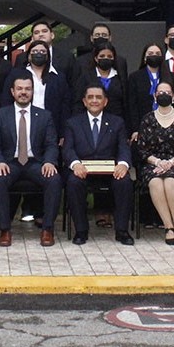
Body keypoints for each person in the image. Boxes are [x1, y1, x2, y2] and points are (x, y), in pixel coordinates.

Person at [0, 75, 61, 247]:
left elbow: (51, 144)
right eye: (20, 89)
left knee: (54, 179)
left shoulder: (44, 116)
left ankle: (47, 229)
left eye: (27, 89)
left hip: (35, 163)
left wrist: (49, 161)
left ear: (32, 92)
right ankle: (5, 230)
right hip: (9, 162)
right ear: (12, 92)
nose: (23, 92)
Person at [63, 84, 134, 246]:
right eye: (90, 97)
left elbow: (123, 146)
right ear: (84, 101)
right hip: (83, 171)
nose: (94, 101)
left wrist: (123, 164)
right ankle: (81, 231)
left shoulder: (117, 122)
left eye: (98, 97)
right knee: (73, 182)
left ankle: (122, 230)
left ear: (105, 102)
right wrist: (75, 164)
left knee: (124, 182)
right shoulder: (72, 123)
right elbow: (68, 149)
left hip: (110, 172)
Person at [135, 80, 174, 245]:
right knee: (155, 182)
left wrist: (170, 163)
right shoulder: (147, 119)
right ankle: (169, 227)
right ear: (155, 96)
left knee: (170, 181)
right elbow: (142, 149)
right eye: (160, 92)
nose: (163, 95)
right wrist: (158, 162)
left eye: (167, 92)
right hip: (153, 164)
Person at [2, 40, 69, 128]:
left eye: (42, 51)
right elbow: (6, 99)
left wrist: (63, 131)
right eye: (34, 51)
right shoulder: (16, 74)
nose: (38, 54)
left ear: (48, 56)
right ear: (29, 56)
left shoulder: (58, 77)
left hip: (51, 125)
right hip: (22, 123)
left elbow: (65, 106)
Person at [125, 44, 173, 135]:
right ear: (144, 57)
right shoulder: (135, 77)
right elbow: (132, 105)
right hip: (142, 125)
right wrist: (135, 129)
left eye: (157, 54)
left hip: (166, 124)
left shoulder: (170, 76)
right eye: (150, 53)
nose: (154, 56)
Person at [72, 40, 127, 120]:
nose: (106, 58)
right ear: (96, 58)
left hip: (116, 123)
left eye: (109, 56)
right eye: (102, 56)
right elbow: (78, 103)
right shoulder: (85, 77)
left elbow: (125, 104)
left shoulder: (120, 78)